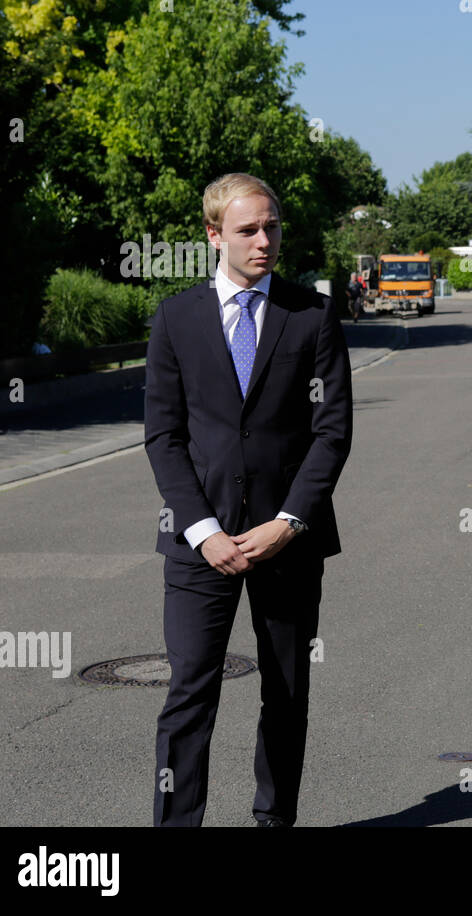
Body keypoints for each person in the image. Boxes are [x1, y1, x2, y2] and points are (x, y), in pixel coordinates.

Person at [144, 173, 353, 826]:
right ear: (213, 235)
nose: (266, 240)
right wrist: (202, 530)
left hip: (287, 542)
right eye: (248, 230)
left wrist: (289, 522)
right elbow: (163, 435)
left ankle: (273, 821)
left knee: (287, 693)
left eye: (273, 227)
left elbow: (333, 430)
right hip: (198, 544)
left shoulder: (311, 313)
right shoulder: (177, 318)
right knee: (188, 696)